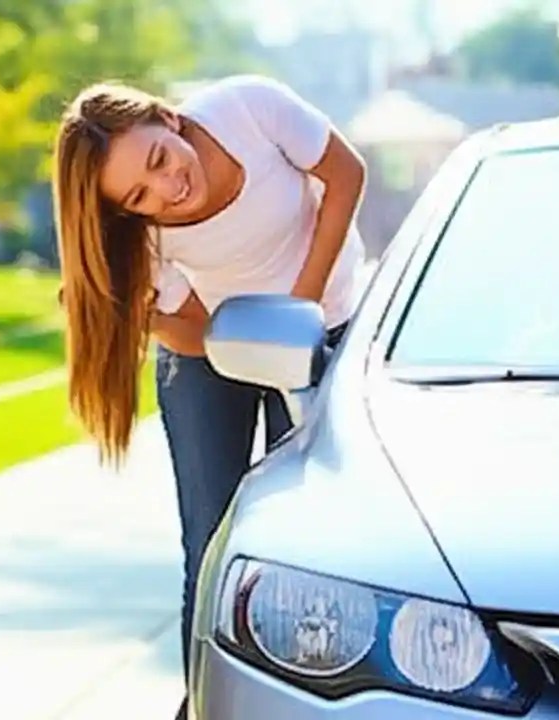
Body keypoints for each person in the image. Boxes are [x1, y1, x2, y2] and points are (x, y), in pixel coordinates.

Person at [50, 74, 367, 718]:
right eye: (140, 196)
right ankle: (206, 702)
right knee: (211, 539)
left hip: (319, 329)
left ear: (167, 118)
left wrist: (296, 311)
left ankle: (305, 697)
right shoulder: (145, 234)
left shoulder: (248, 108)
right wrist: (149, 321)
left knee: (302, 537)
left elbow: (346, 175)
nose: (167, 190)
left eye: (160, 161)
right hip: (214, 345)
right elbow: (195, 336)